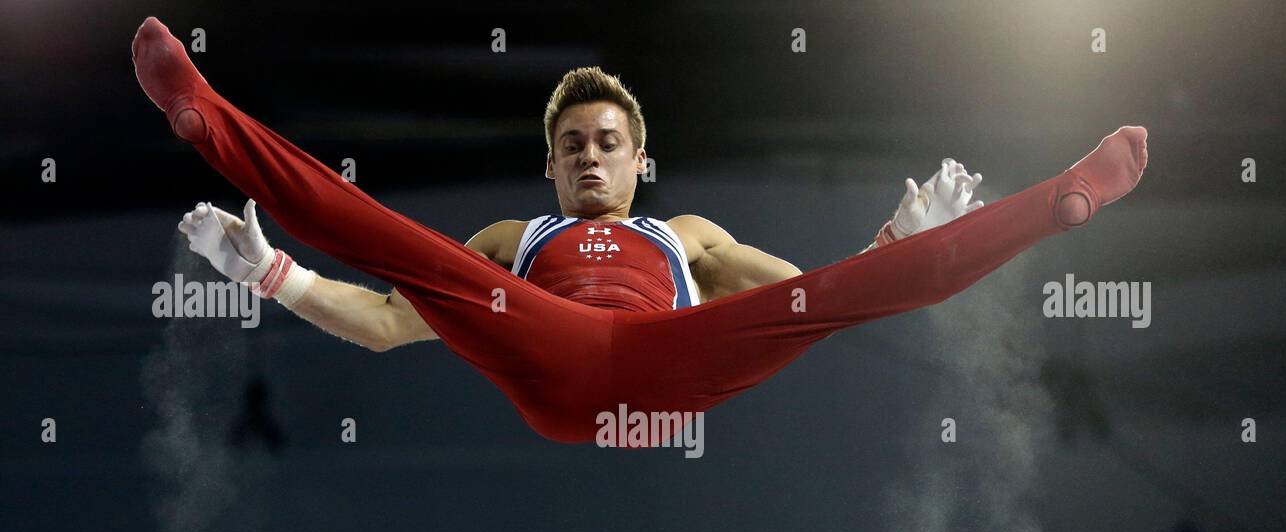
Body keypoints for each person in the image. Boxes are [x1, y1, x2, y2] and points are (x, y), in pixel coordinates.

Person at [133, 16, 1147, 444]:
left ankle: (1058, 199)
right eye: (570, 143)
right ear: (549, 163)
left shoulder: (689, 236)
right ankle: (205, 118)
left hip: (667, 372)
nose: (587, 155)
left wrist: (893, 247)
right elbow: (392, 322)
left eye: (607, 141)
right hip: (554, 354)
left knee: (830, 300)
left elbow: (799, 299)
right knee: (395, 239)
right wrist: (270, 272)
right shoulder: (508, 240)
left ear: (639, 161)